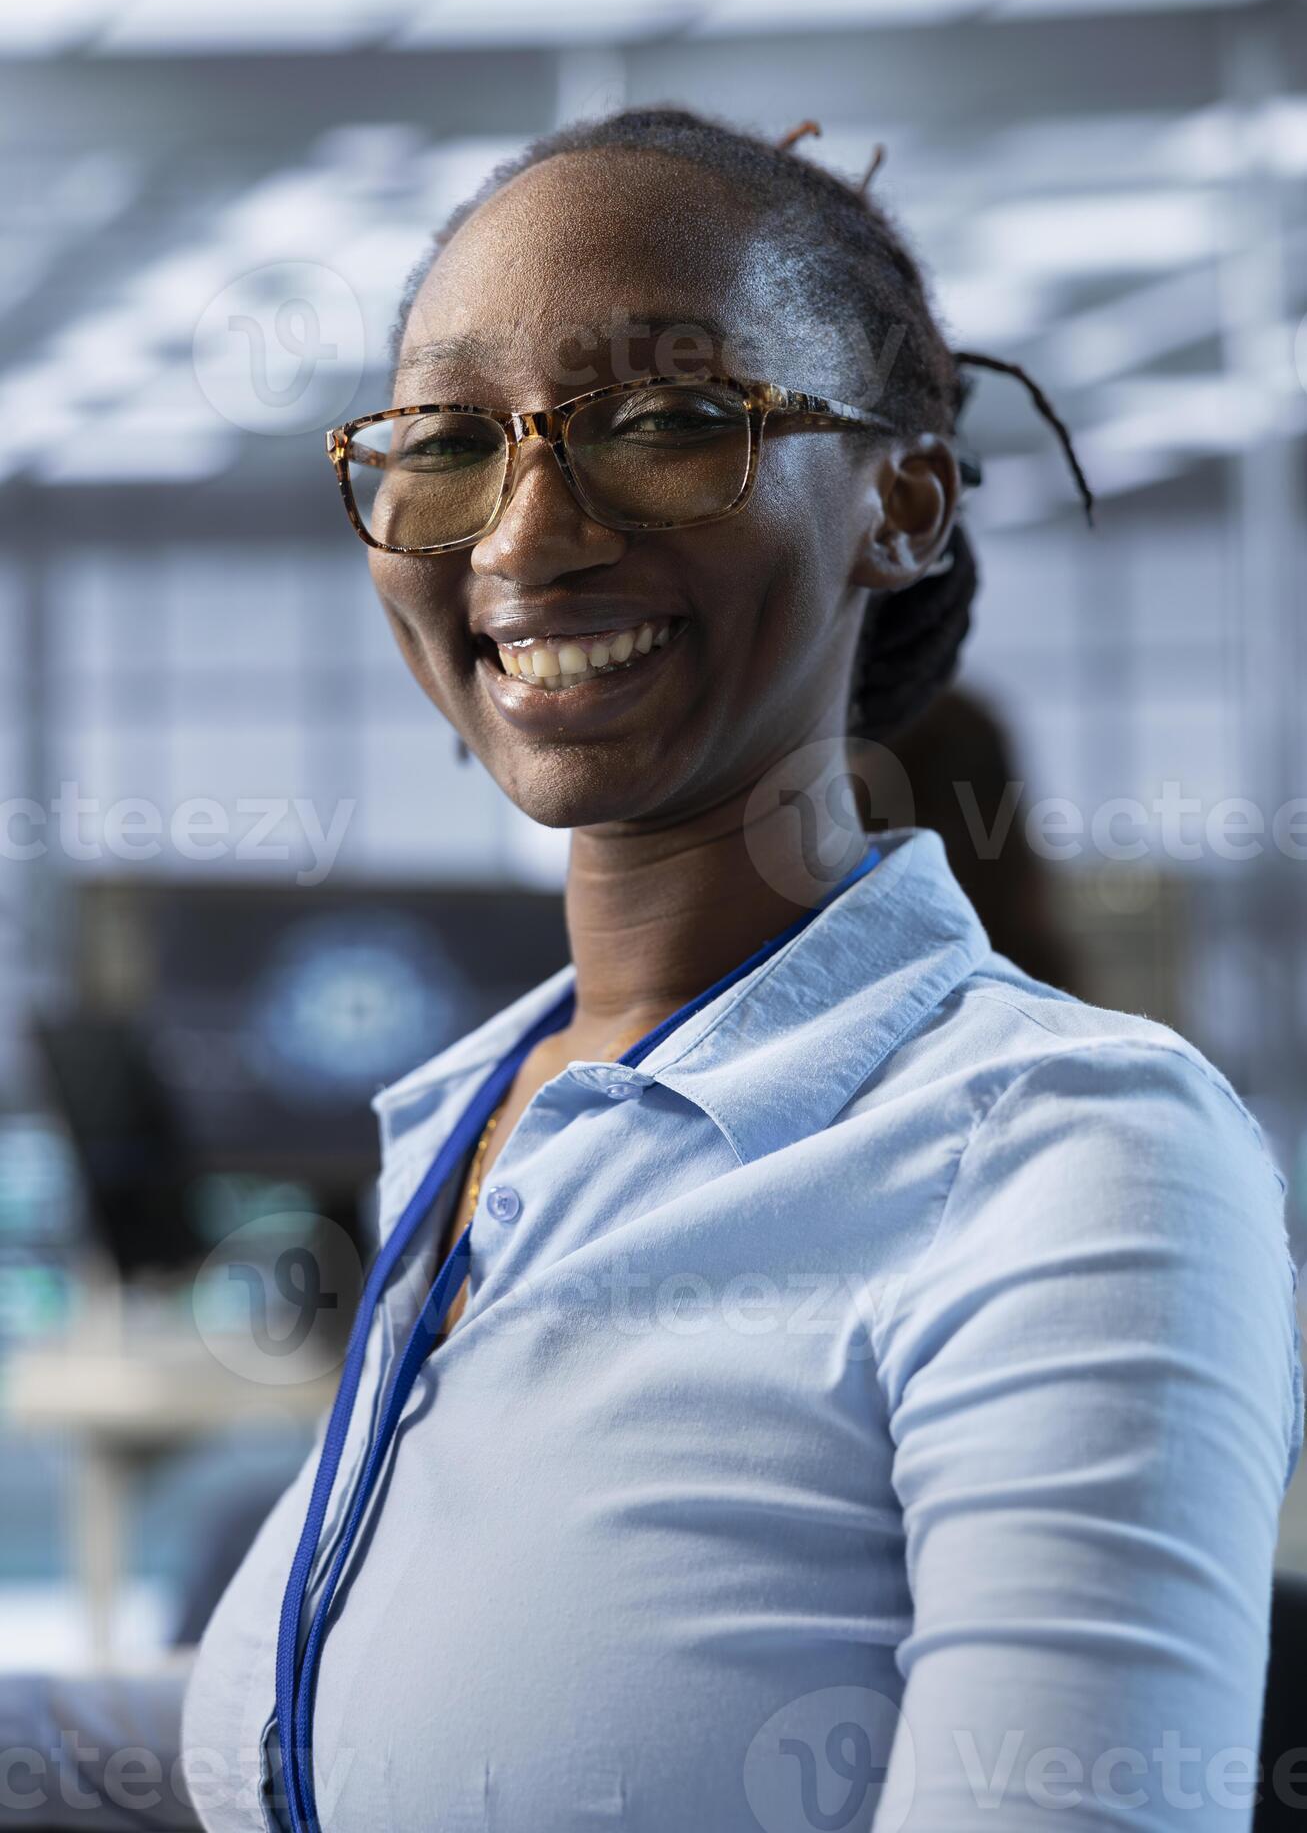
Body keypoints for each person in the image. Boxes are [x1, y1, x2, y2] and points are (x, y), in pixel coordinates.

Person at [181, 108, 1303, 1833]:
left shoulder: (1069, 1156)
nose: (524, 534)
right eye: (445, 438)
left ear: (902, 504)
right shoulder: (485, 1109)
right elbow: (346, 1750)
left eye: (668, 423)